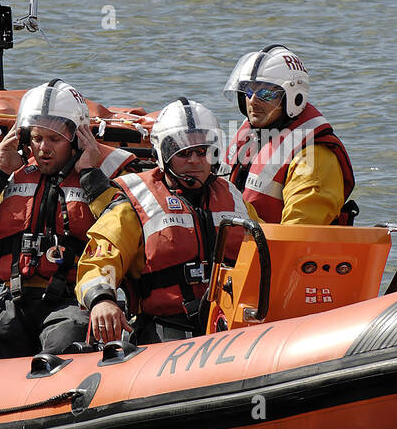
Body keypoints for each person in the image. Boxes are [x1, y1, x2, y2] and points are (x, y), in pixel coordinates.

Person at [0, 80, 135, 357]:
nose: (44, 147)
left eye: (54, 139)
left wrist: (90, 176)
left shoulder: (109, 176)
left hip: (73, 302)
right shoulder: (12, 175)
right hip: (13, 302)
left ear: (77, 138)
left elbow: (125, 228)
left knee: (64, 352)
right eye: (37, 137)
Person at [76, 99, 248, 344]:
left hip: (230, 323)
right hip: (165, 329)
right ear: (162, 155)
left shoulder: (232, 196)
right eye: (184, 152)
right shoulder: (135, 203)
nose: (195, 160)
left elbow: (268, 246)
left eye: (202, 151)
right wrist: (102, 300)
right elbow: (98, 261)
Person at [222, 45, 355, 225]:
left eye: (265, 93)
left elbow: (296, 238)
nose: (252, 100)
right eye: (248, 90)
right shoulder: (254, 133)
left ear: (293, 97)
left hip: (275, 250)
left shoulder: (315, 160)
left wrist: (234, 207)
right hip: (236, 243)